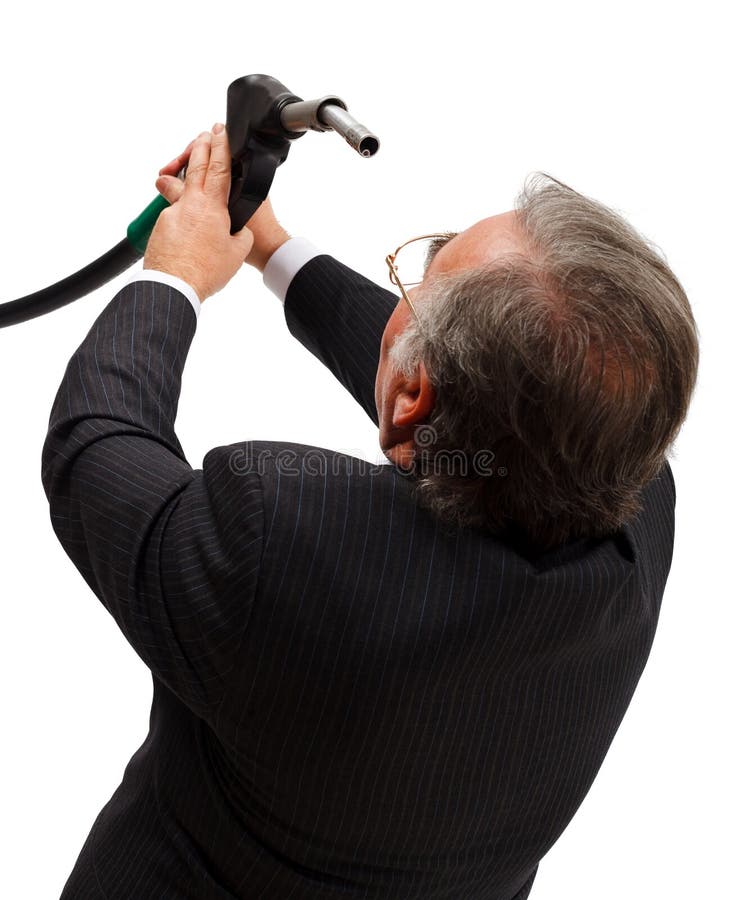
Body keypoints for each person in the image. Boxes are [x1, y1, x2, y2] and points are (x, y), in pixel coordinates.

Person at [41, 124, 698, 900]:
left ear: (414, 398)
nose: (401, 297)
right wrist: (272, 249)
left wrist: (174, 275)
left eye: (417, 283)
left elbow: (96, 450)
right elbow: (487, 408)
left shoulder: (275, 543)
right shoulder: (638, 509)